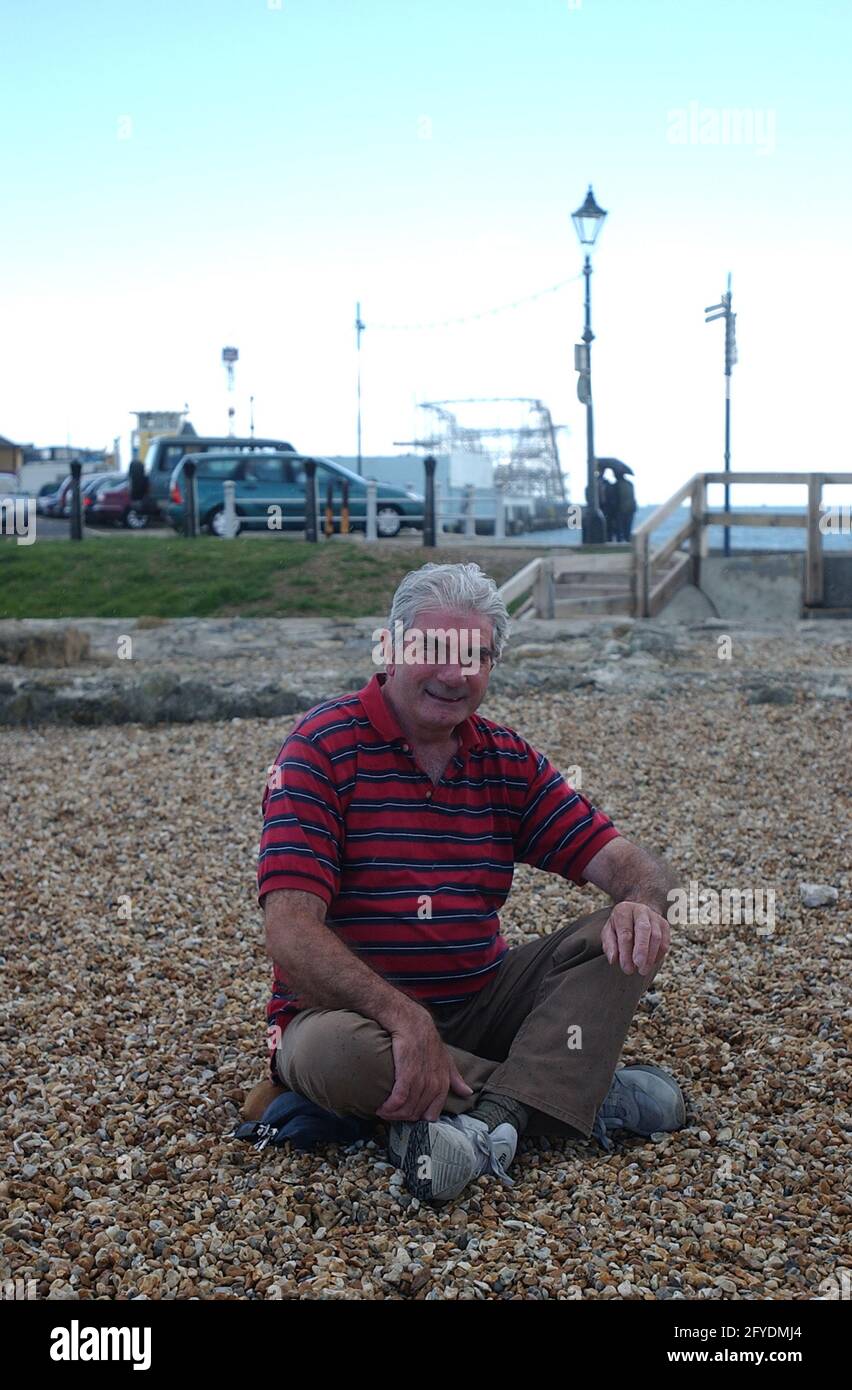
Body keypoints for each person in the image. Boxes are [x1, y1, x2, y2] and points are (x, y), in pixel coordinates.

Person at [249, 562, 684, 1204]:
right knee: (327, 1057)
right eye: (435, 650)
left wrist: (642, 903)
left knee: (617, 938)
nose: (455, 675)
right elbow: (288, 933)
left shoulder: (505, 759)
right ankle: (571, 1093)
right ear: (393, 649)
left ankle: (484, 1119)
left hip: (483, 1005)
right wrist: (403, 1017)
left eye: (475, 657)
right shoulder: (319, 749)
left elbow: (632, 866)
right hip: (352, 1019)